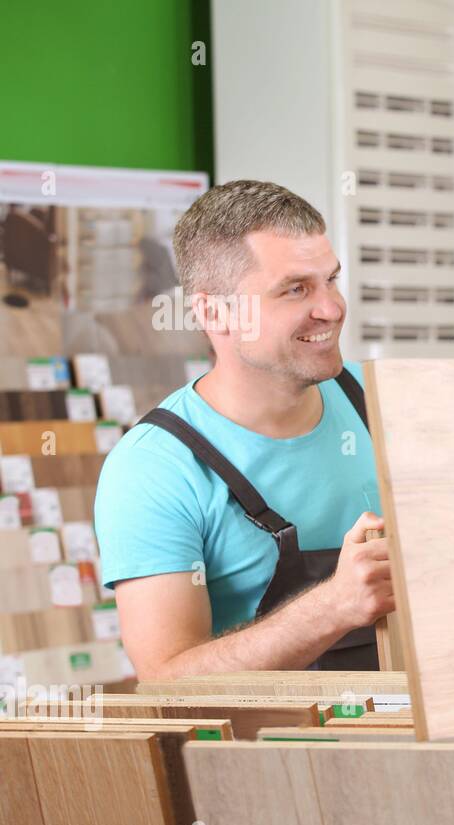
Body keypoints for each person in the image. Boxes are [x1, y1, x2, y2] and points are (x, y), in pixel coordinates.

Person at [94, 180, 395, 679]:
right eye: (295, 289)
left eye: (331, 280)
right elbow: (168, 682)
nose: (332, 308)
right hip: (274, 755)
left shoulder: (384, 399)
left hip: (418, 736)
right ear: (215, 312)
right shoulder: (154, 468)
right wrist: (335, 606)